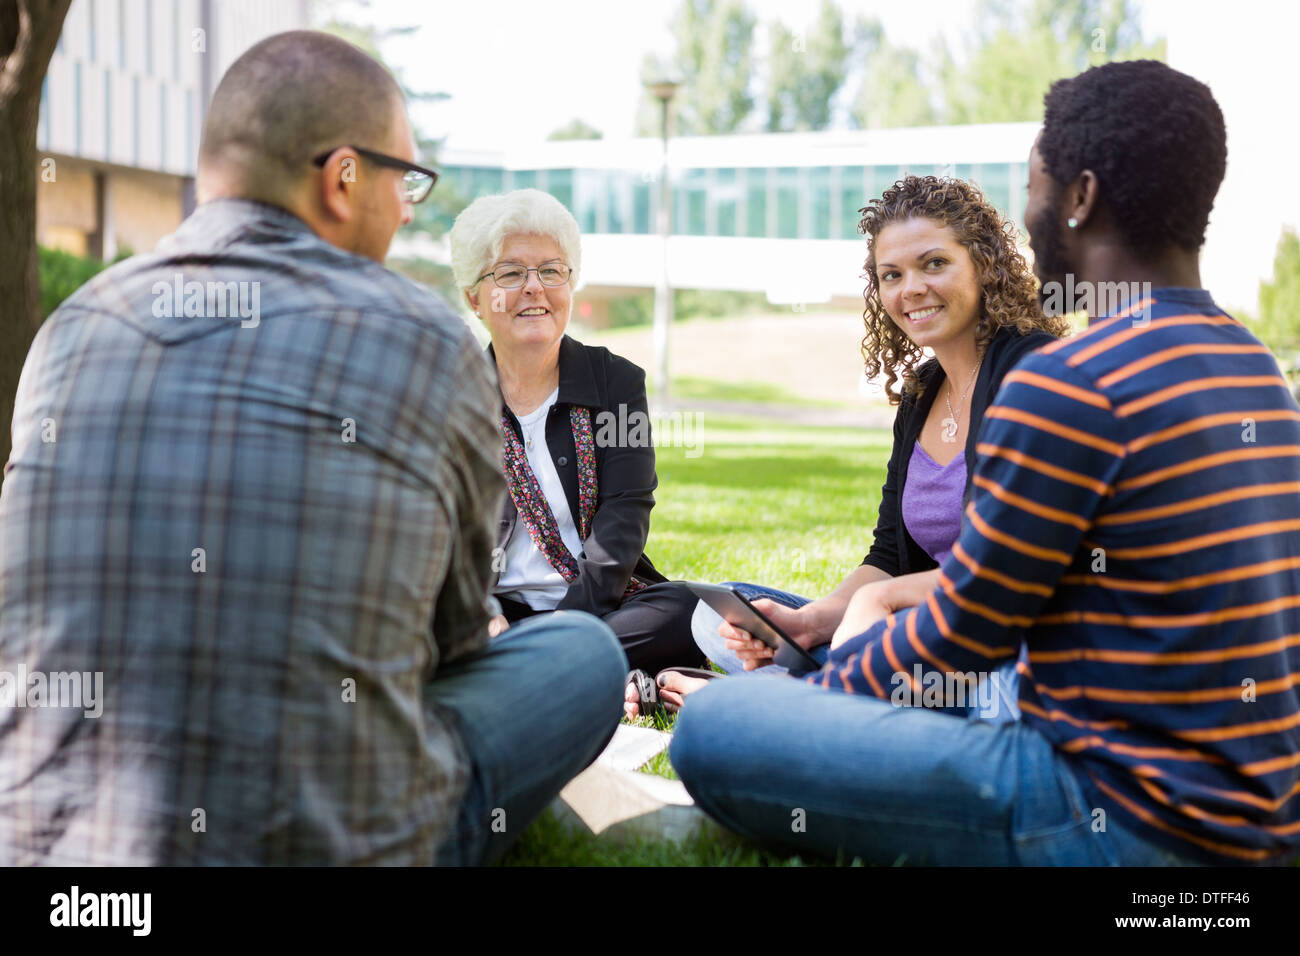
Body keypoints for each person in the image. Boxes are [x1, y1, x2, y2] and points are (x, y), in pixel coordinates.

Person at [0, 31, 626, 866]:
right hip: (338, 838)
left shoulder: (74, 327)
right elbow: (453, 649)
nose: (408, 207)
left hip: (53, 845)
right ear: (342, 177)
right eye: (405, 180)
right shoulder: (425, 339)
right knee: (582, 654)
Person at [670, 59, 1300, 866]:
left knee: (722, 727)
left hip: (1112, 816)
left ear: (1081, 196)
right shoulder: (1256, 370)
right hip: (1253, 821)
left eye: (1035, 187)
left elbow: (965, 634)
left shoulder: (1072, 381)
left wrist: (808, 708)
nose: (1031, 218)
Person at [626, 175, 1070, 719]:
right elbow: (888, 556)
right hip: (914, 637)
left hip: (1003, 646)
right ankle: (832, 695)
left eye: (934, 264)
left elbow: (1018, 563)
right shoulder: (922, 395)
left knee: (976, 692)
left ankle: (779, 706)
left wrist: (879, 604)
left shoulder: (1031, 371)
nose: (910, 288)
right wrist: (809, 621)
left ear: (983, 264)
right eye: (892, 274)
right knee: (719, 616)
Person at [448, 190, 705, 675]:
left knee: (684, 613)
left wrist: (568, 621)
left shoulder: (617, 383)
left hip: (602, 608)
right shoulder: (451, 399)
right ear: (474, 298)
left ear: (570, 283)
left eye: (551, 271)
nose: (534, 288)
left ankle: (524, 667)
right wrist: (480, 614)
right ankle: (579, 669)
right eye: (510, 273)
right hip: (500, 614)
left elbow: (625, 518)